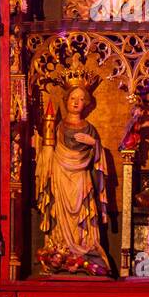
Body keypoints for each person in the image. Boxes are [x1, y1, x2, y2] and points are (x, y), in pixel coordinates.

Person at [34, 75, 112, 275]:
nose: (76, 102)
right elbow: (48, 152)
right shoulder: (58, 128)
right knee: (60, 217)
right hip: (60, 176)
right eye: (72, 98)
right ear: (66, 101)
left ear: (86, 103)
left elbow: (98, 161)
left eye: (80, 99)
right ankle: (59, 251)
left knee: (82, 215)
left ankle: (84, 250)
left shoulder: (89, 129)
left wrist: (93, 143)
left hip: (81, 178)